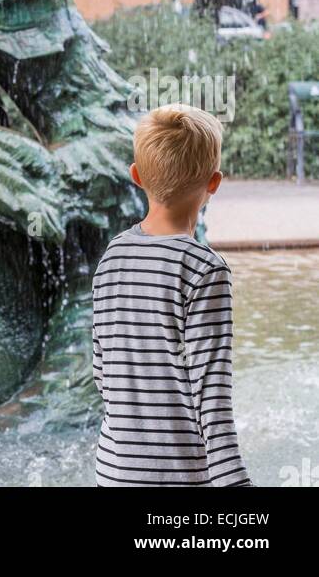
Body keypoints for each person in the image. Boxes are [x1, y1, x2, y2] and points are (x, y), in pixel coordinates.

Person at [92, 104, 252, 487]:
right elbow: (211, 393)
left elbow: (101, 371)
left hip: (114, 470)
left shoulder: (112, 255)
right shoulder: (204, 269)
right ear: (213, 183)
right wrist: (235, 483)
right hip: (177, 476)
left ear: (136, 177)